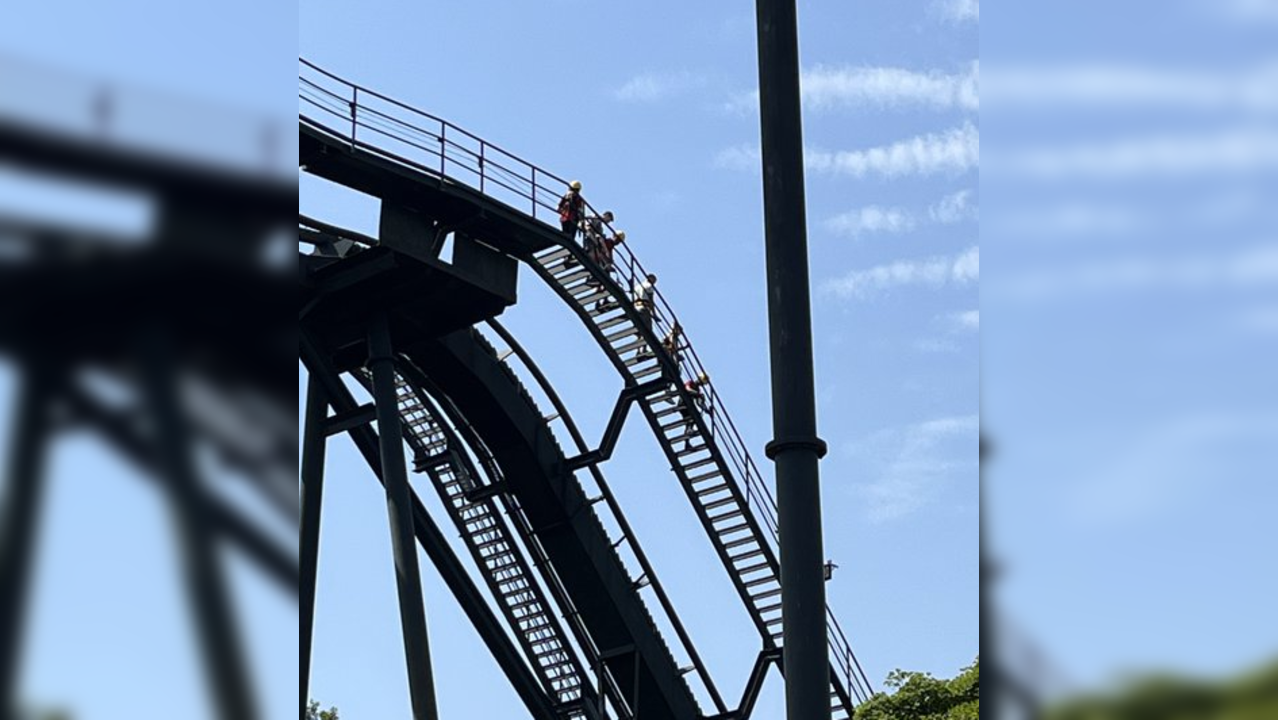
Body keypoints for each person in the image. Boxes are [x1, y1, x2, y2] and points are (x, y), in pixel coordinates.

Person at [678, 373, 710, 450]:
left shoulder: (698, 390)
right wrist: (698, 394)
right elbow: (687, 389)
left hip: (689, 406)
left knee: (691, 422)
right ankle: (689, 434)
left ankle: (687, 444)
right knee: (691, 420)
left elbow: (699, 403)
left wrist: (706, 409)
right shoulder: (691, 383)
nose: (701, 384)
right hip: (683, 404)